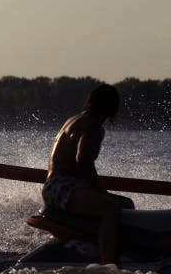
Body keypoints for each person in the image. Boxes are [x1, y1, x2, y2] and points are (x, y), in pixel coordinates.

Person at [42, 83, 134, 264]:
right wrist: (101, 191)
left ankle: (106, 246)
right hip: (62, 187)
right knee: (111, 209)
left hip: (55, 186)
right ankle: (109, 264)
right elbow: (83, 161)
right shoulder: (93, 126)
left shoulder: (75, 119)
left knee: (126, 204)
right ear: (111, 108)